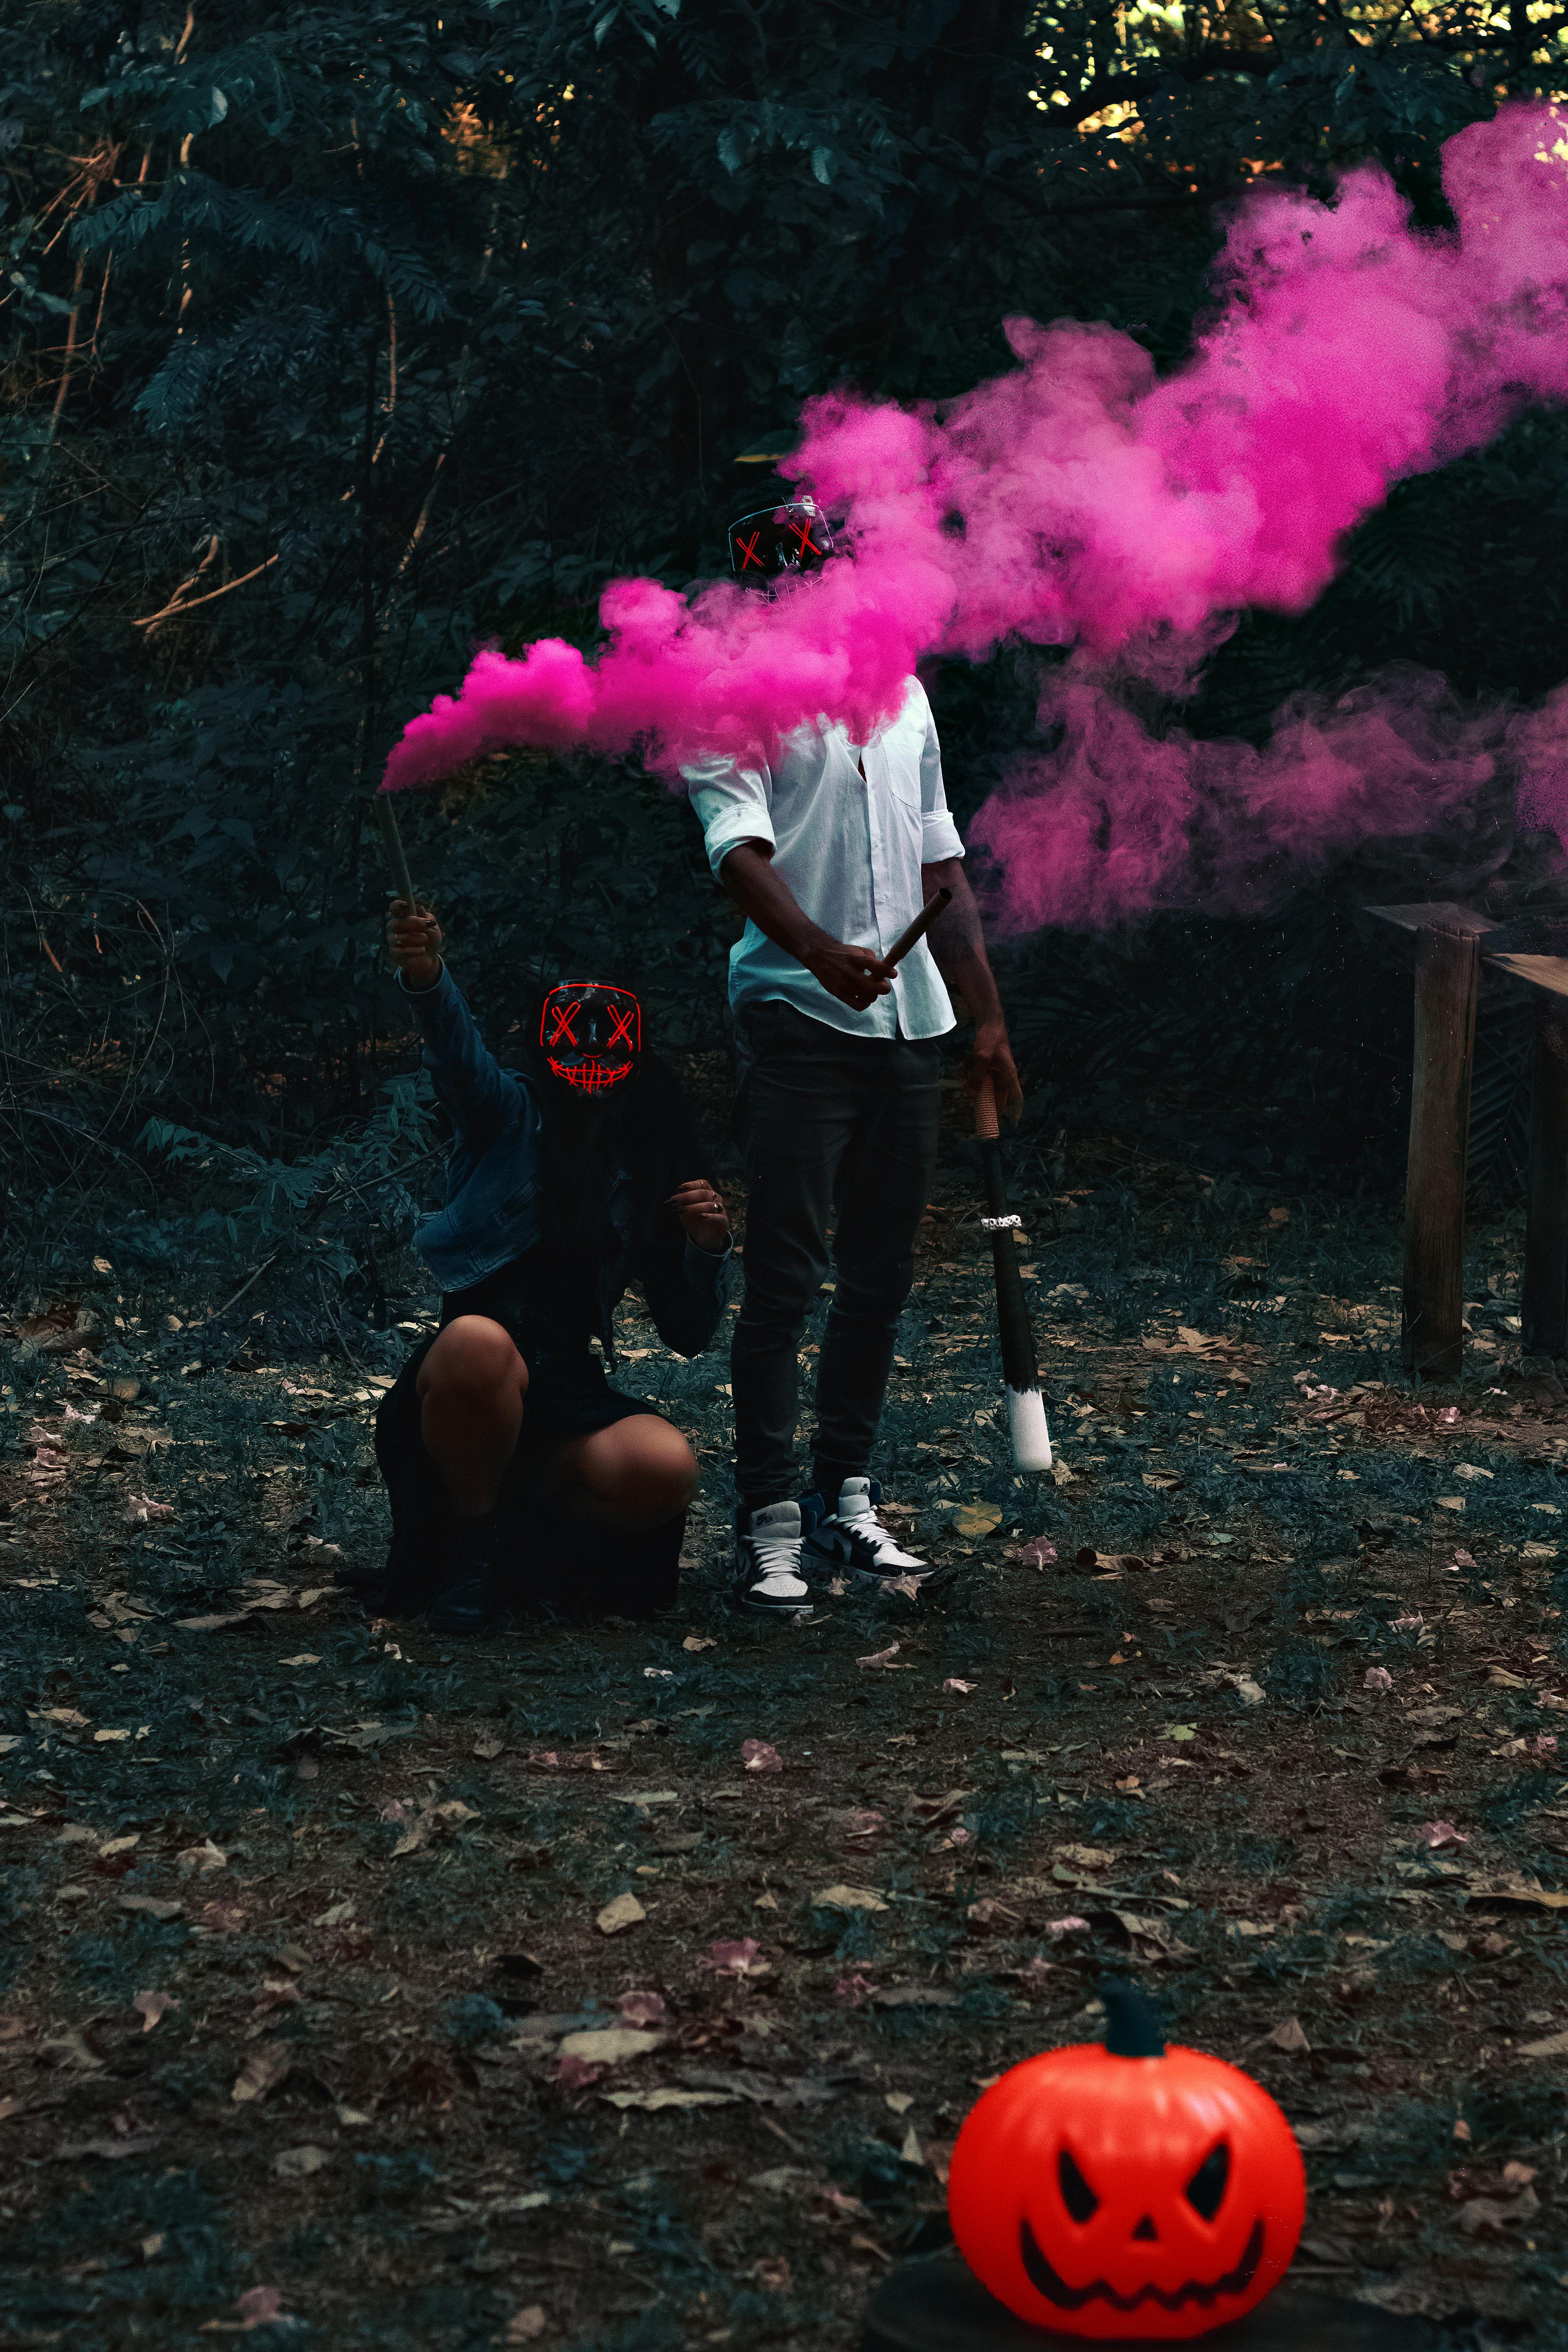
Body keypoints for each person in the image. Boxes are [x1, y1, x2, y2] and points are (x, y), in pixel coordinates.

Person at [682, 501, 1023, 1617]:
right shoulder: (730, 703)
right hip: (799, 1018)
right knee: (786, 1280)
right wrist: (821, 952)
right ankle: (768, 1522)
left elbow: (942, 868)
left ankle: (845, 1499)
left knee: (879, 1277)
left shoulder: (904, 692)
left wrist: (985, 1018)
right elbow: (737, 855)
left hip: (907, 1028)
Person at [372, 901, 732, 1632]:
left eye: (611, 1054)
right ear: (543, 1049)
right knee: (480, 1340)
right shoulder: (508, 1116)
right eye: (575, 1050)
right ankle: (470, 1552)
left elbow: (690, 1334)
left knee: (663, 1467)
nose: (591, 1068)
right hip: (469, 1387)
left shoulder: (644, 1161)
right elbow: (456, 1054)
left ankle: (523, 1529)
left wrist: (706, 1249)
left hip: (565, 1394)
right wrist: (426, 975)